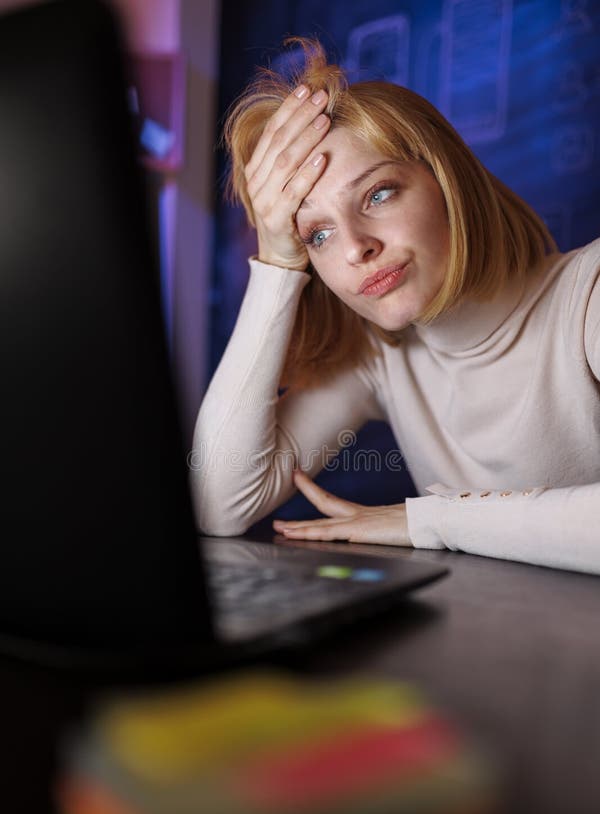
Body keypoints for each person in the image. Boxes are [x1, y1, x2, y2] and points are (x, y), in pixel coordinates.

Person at [191, 37, 600, 575]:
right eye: (317, 235)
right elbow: (217, 504)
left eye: (378, 194)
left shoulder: (589, 293)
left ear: (447, 179)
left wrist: (429, 521)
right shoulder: (379, 356)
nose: (356, 247)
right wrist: (276, 262)